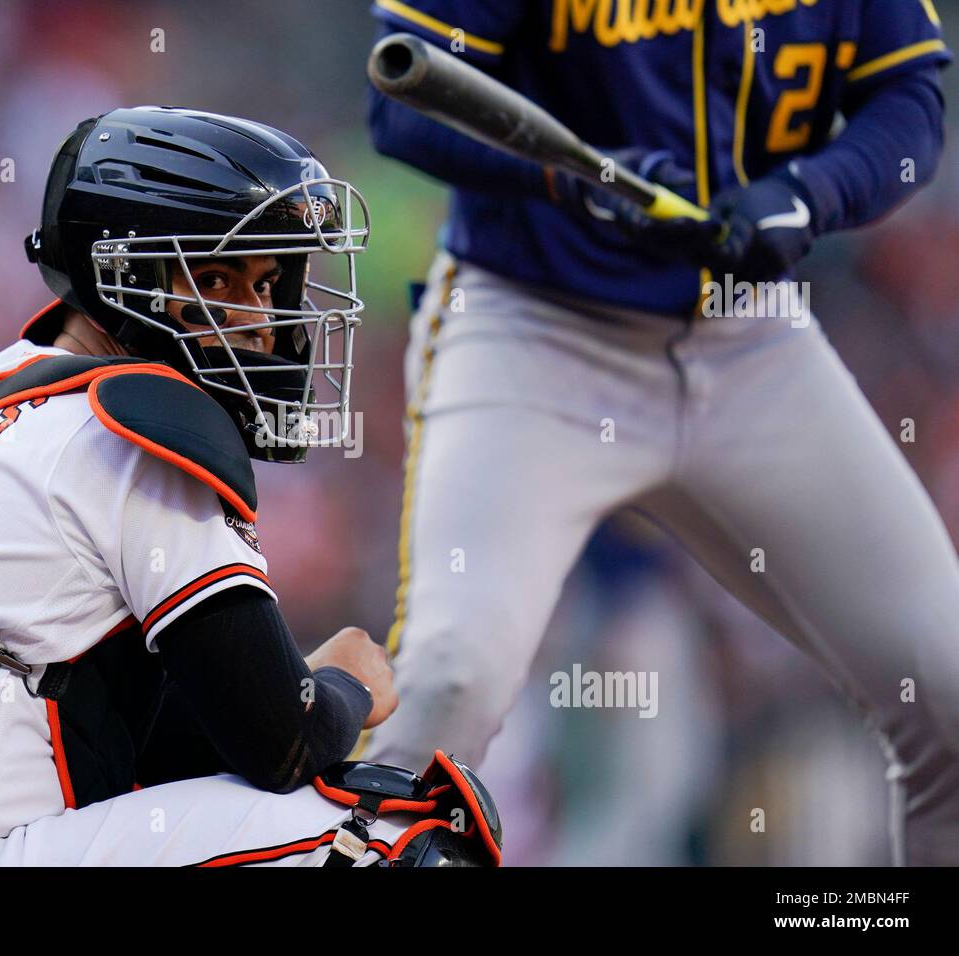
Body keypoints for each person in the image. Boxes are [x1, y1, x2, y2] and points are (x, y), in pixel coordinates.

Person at [0, 106, 501, 868]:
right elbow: (284, 745)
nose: (261, 320)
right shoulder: (138, 420)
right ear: (125, 274)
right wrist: (342, 686)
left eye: (266, 285)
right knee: (396, 829)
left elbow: (148, 740)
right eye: (222, 279)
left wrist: (294, 697)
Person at [364, 0, 958, 863]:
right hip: (532, 325)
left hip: (752, 336)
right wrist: (582, 178)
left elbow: (908, 100)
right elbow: (401, 96)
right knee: (452, 679)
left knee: (945, 685)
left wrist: (808, 194)